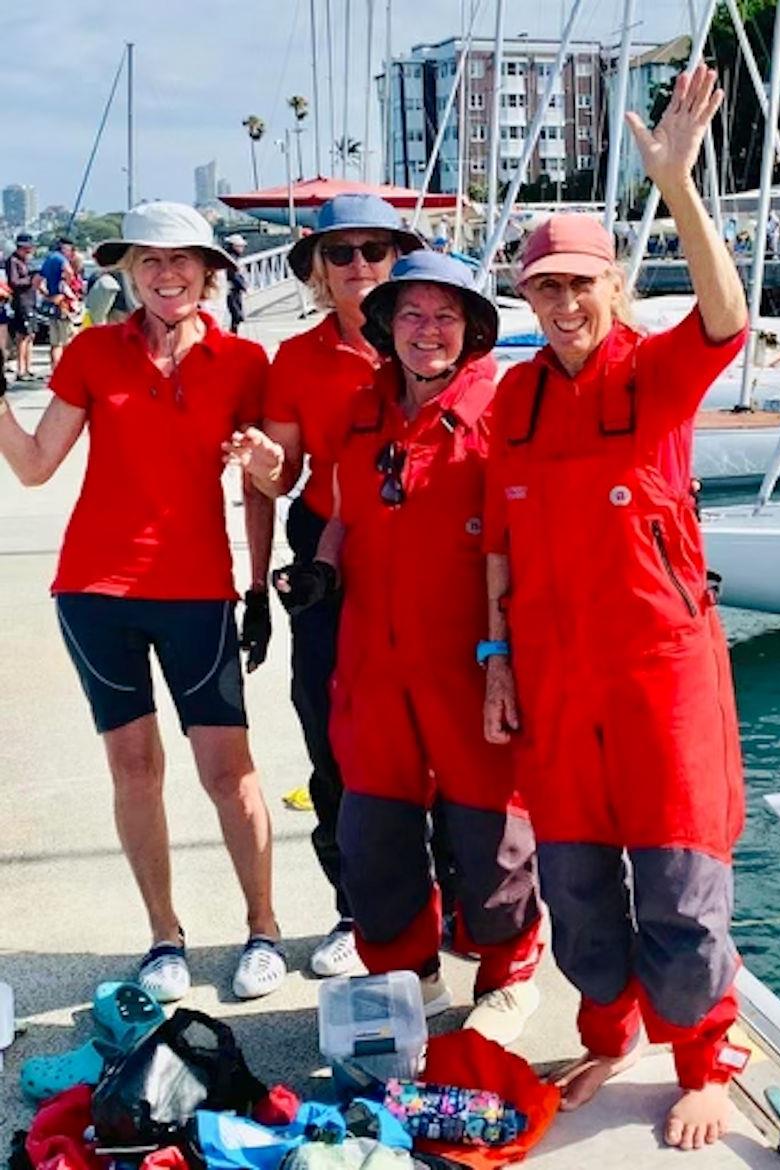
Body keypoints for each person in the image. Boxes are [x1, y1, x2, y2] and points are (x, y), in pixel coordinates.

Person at [482, 66, 749, 1150]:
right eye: (543, 287)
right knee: (580, 887)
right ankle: (611, 1029)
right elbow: (497, 538)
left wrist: (677, 184)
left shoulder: (653, 373)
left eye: (578, 285)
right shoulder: (514, 395)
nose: (561, 304)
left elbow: (725, 318)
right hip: (552, 673)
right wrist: (495, 653)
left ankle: (705, 1058)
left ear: (611, 288)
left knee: (680, 885)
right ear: (527, 296)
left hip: (659, 674)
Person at [0, 201, 283, 1005]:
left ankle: (262, 927)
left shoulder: (243, 360)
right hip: (95, 593)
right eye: (148, 262)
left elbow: (269, 484)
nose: (166, 275)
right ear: (128, 273)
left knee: (230, 773)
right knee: (134, 769)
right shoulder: (93, 352)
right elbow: (34, 465)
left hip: (197, 592)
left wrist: (258, 568)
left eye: (181, 261)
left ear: (209, 272)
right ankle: (165, 935)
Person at [269, 251, 544, 1044]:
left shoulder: (501, 409)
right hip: (370, 661)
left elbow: (520, 536)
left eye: (446, 316)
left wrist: (507, 656)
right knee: (373, 829)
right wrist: (318, 571)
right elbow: (349, 507)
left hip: (469, 658)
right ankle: (406, 972)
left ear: (473, 330)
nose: (428, 331)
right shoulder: (362, 407)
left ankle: (507, 971)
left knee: (491, 829)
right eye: (412, 315)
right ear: (387, 326)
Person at [240, 193, 425, 978]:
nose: (359, 267)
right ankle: (357, 907)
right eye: (340, 254)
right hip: (325, 553)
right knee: (331, 727)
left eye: (374, 251)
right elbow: (279, 477)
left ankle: (449, 897)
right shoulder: (296, 361)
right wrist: (259, 471)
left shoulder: (430, 336)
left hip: (423, 544)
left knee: (437, 725)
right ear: (315, 270)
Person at [36, 236, 80, 369]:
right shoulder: (61, 259)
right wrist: (65, 288)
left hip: (51, 304)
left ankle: (55, 370)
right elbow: (69, 272)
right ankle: (67, 370)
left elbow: (37, 281)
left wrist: (47, 295)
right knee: (67, 340)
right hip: (63, 304)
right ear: (65, 248)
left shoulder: (49, 259)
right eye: (70, 249)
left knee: (55, 343)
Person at [6, 232, 38, 381]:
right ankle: (21, 369)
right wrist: (30, 279)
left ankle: (28, 367)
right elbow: (14, 282)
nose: (29, 252)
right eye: (26, 249)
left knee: (31, 335)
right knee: (23, 336)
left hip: (31, 301)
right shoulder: (13, 261)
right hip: (22, 302)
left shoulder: (26, 262)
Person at [224, 233, 249, 334]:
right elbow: (232, 275)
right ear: (234, 246)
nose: (242, 249)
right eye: (241, 246)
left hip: (233, 289)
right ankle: (233, 335)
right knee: (236, 315)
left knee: (236, 315)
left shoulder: (231, 257)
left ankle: (233, 334)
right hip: (231, 290)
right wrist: (243, 286)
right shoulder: (231, 258)